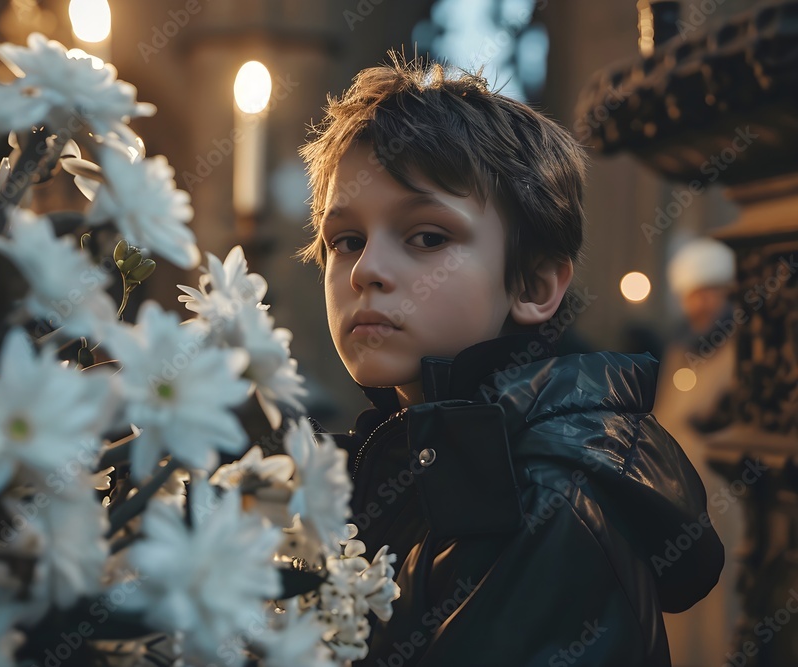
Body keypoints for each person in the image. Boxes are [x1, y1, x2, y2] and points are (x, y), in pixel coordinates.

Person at [298, 57, 724, 666]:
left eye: (427, 237)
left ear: (532, 285)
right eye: (346, 241)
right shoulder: (399, 455)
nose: (366, 270)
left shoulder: (545, 502)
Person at [654, 237, 743, 667]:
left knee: (718, 597)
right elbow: (665, 414)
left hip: (722, 492)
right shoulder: (681, 346)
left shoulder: (743, 346)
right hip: (674, 488)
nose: (700, 303)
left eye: (709, 292)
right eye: (692, 294)